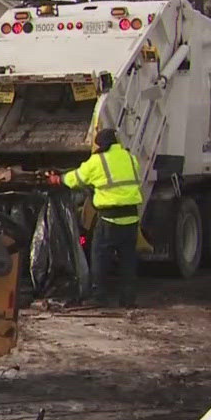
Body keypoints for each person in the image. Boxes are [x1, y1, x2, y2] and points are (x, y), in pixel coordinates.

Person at [54, 127, 143, 308]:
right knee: (128, 259)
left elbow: (75, 179)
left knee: (100, 257)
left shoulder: (98, 161)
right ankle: (128, 299)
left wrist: (59, 179)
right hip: (132, 218)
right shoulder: (130, 158)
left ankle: (99, 296)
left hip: (110, 219)